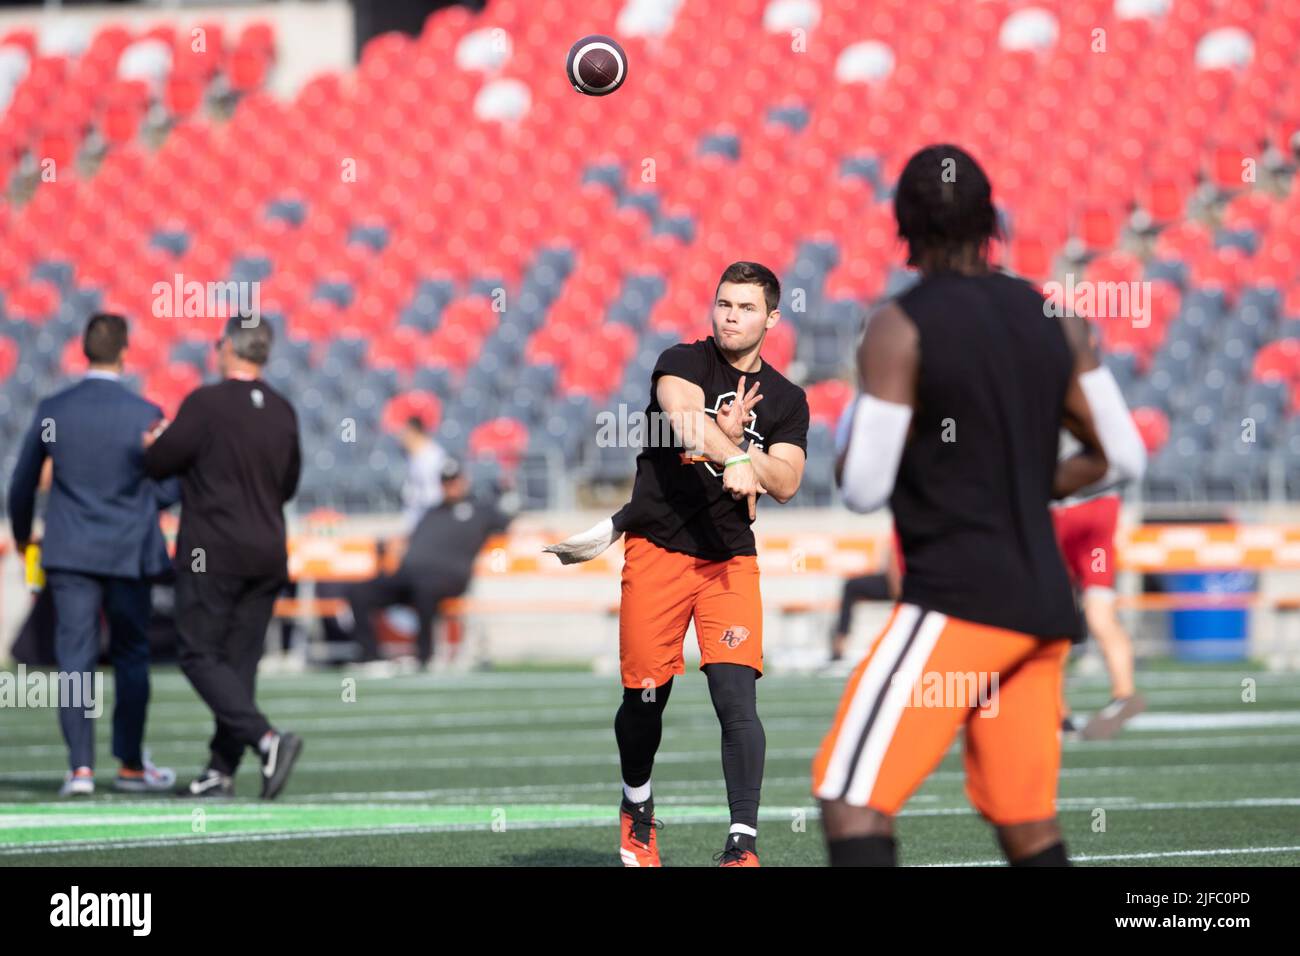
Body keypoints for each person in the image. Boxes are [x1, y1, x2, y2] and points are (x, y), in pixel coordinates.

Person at [813, 145, 1145, 867]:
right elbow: (1122, 457)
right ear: (992, 217)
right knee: (1027, 826)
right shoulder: (1056, 315)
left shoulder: (899, 326)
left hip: (960, 602)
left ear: (903, 226)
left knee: (851, 799)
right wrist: (1029, 484)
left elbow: (864, 487)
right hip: (1043, 609)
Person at [546, 261, 810, 867]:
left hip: (728, 563)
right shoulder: (683, 360)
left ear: (772, 317)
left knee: (736, 699)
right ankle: (636, 802)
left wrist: (742, 453)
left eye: (745, 308)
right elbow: (685, 418)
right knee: (644, 699)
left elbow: (789, 479)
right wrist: (732, 453)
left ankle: (742, 843)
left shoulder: (788, 399)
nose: (730, 316)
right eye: (723, 304)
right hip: (658, 549)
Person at [7, 312, 178, 796]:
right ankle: (129, 765)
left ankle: (79, 768)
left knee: (74, 659)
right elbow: (172, 484)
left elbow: (21, 484)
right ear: (125, 352)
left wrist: (22, 537)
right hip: (129, 551)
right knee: (130, 655)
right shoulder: (144, 413)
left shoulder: (54, 409)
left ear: (84, 350)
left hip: (71, 551)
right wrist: (145, 502)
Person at [143, 314, 304, 800]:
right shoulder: (282, 408)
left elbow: (158, 461)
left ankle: (267, 739)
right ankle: (220, 768)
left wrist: (153, 441)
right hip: (269, 548)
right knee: (239, 663)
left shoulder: (206, 404)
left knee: (197, 654)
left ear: (228, 348)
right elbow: (290, 485)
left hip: (212, 550)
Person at [346, 458, 512, 671]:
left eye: (454, 480)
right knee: (359, 592)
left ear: (464, 481)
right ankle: (371, 657)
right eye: (445, 481)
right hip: (409, 575)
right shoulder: (431, 511)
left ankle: (424, 657)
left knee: (424, 588)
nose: (450, 485)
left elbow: (511, 523)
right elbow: (410, 539)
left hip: (448, 577)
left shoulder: (481, 510)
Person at [399, 415, 448, 531]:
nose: (401, 438)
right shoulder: (414, 456)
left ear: (413, 432)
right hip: (416, 518)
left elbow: (435, 494)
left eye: (404, 433)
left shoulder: (432, 457)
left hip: (429, 519)